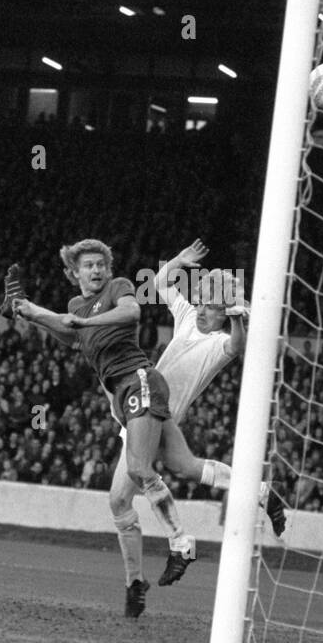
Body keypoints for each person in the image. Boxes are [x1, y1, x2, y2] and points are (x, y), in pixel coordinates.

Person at [99, 239, 282, 616]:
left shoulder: (218, 342)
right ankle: (262, 491)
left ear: (221, 314)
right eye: (201, 303)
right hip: (142, 408)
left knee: (136, 481)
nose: (202, 311)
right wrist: (180, 259)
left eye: (212, 308)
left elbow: (238, 345)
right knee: (172, 474)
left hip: (153, 413)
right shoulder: (186, 318)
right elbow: (162, 285)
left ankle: (178, 548)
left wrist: (235, 317)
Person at [13, 238, 193, 618]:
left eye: (100, 264)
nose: (97, 270)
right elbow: (70, 334)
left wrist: (85, 321)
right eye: (89, 266)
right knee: (119, 500)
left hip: (140, 379)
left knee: (142, 470)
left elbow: (131, 314)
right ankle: (134, 584)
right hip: (123, 398)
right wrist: (29, 312)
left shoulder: (118, 287)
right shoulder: (76, 306)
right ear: (73, 273)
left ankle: (182, 543)